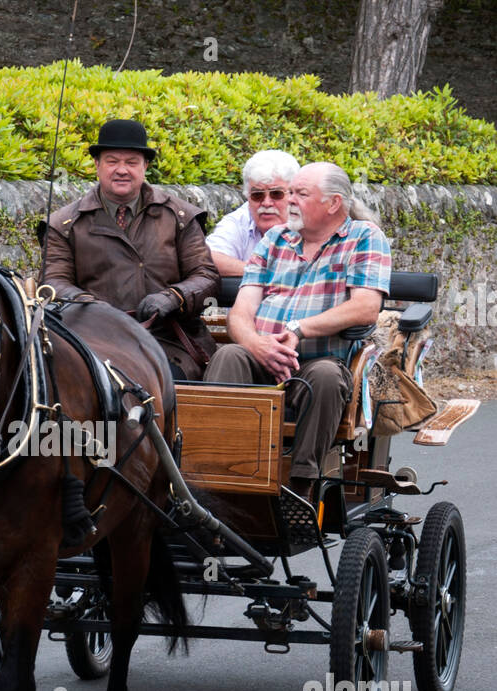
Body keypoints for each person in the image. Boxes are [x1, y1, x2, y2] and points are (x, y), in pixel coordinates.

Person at [205, 162, 391, 502]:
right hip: (263, 355)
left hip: (320, 360)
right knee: (228, 355)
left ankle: (301, 488)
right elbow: (242, 311)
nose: (287, 201)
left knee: (324, 377)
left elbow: (365, 307)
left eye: (299, 194)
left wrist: (298, 330)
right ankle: (218, 481)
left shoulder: (364, 238)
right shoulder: (276, 239)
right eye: (289, 192)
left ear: (334, 203)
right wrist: (256, 344)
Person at [42, 118, 219, 380]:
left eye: (131, 162)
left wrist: (173, 297)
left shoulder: (180, 217)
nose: (121, 170)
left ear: (145, 166)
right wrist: (91, 307)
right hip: (91, 341)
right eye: (112, 161)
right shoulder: (64, 225)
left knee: (158, 383)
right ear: (97, 165)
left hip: (169, 343)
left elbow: (206, 277)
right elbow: (53, 281)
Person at [205, 149, 300, 275]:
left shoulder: (312, 219)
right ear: (247, 196)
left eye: (276, 194)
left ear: (294, 195)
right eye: (257, 195)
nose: (266, 203)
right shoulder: (238, 220)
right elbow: (209, 258)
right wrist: (265, 273)